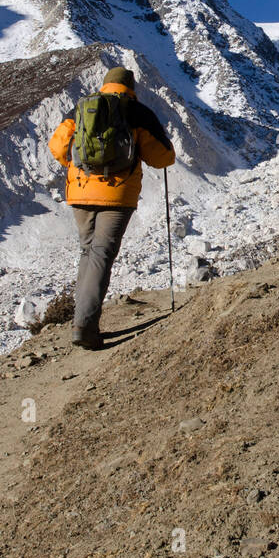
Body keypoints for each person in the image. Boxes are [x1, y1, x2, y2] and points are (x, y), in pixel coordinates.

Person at [48, 66, 175, 349]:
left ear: (105, 85)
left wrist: (79, 168)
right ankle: (85, 327)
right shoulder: (137, 112)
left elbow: (57, 147)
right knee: (101, 255)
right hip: (117, 196)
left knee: (88, 253)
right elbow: (163, 158)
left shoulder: (81, 108)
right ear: (132, 87)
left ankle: (81, 320)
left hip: (80, 193)